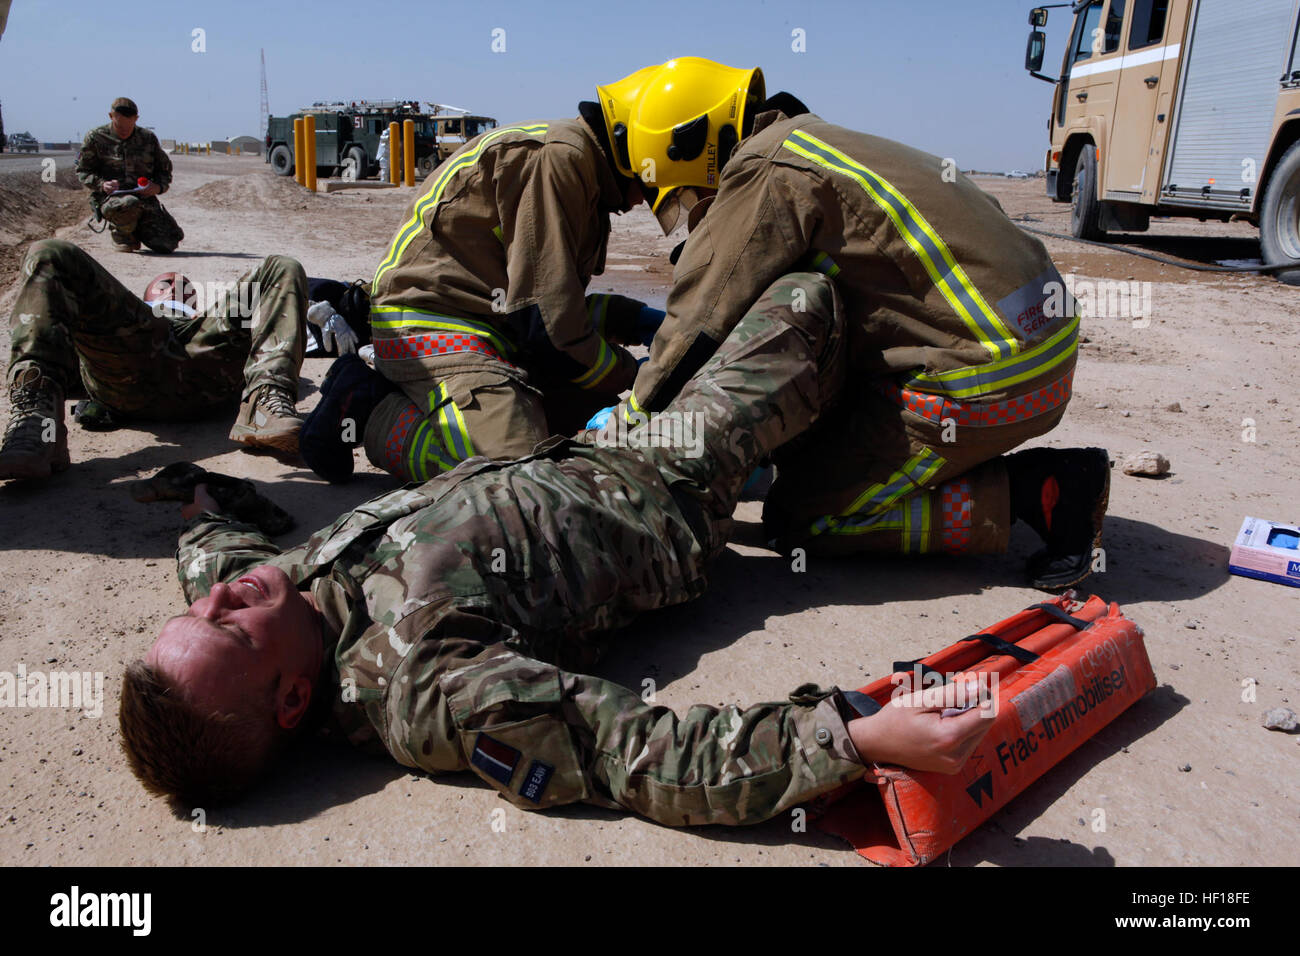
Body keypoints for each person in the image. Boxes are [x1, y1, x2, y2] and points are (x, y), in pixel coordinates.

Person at [119, 272, 996, 823]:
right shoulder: (435, 691)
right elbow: (638, 756)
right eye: (226, 625)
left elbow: (215, 559)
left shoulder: (267, 603)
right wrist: (852, 736)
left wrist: (206, 505)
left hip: (586, 444)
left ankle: (808, 447)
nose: (223, 598)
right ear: (291, 700)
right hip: (663, 489)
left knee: (668, 306)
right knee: (805, 300)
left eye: (200, 609)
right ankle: (866, 453)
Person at [606, 87, 1108, 590]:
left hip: (991, 382)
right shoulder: (824, 148)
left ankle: (1035, 492)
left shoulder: (766, 164)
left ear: (697, 150)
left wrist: (633, 423)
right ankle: (918, 466)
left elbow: (703, 316)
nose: (703, 209)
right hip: (1042, 353)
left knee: (801, 521)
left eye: (690, 194)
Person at [299, 57, 762, 484]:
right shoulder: (563, 161)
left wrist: (644, 324)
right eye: (666, 188)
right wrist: (637, 375)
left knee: (582, 427)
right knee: (517, 469)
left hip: (495, 323)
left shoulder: (589, 177)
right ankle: (371, 403)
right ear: (661, 148)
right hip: (428, 319)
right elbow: (548, 326)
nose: (649, 200)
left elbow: (555, 307)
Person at [0, 240, 307, 482]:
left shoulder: (209, 322)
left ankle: (266, 403)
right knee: (50, 251)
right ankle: (39, 428)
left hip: (205, 354)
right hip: (133, 358)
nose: (172, 286)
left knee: (282, 266)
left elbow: (270, 339)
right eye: (164, 285)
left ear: (194, 304)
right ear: (145, 299)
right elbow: (63, 352)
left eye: (179, 287)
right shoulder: (129, 323)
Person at [75, 97, 184, 254]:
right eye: (120, 127)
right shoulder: (96, 138)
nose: (125, 131)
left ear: (136, 119)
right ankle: (121, 233)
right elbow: (83, 171)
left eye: (129, 125)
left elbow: (164, 170)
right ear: (111, 116)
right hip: (112, 199)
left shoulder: (147, 138)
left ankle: (135, 229)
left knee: (168, 244)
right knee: (129, 203)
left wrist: (158, 187)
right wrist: (101, 184)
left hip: (144, 199)